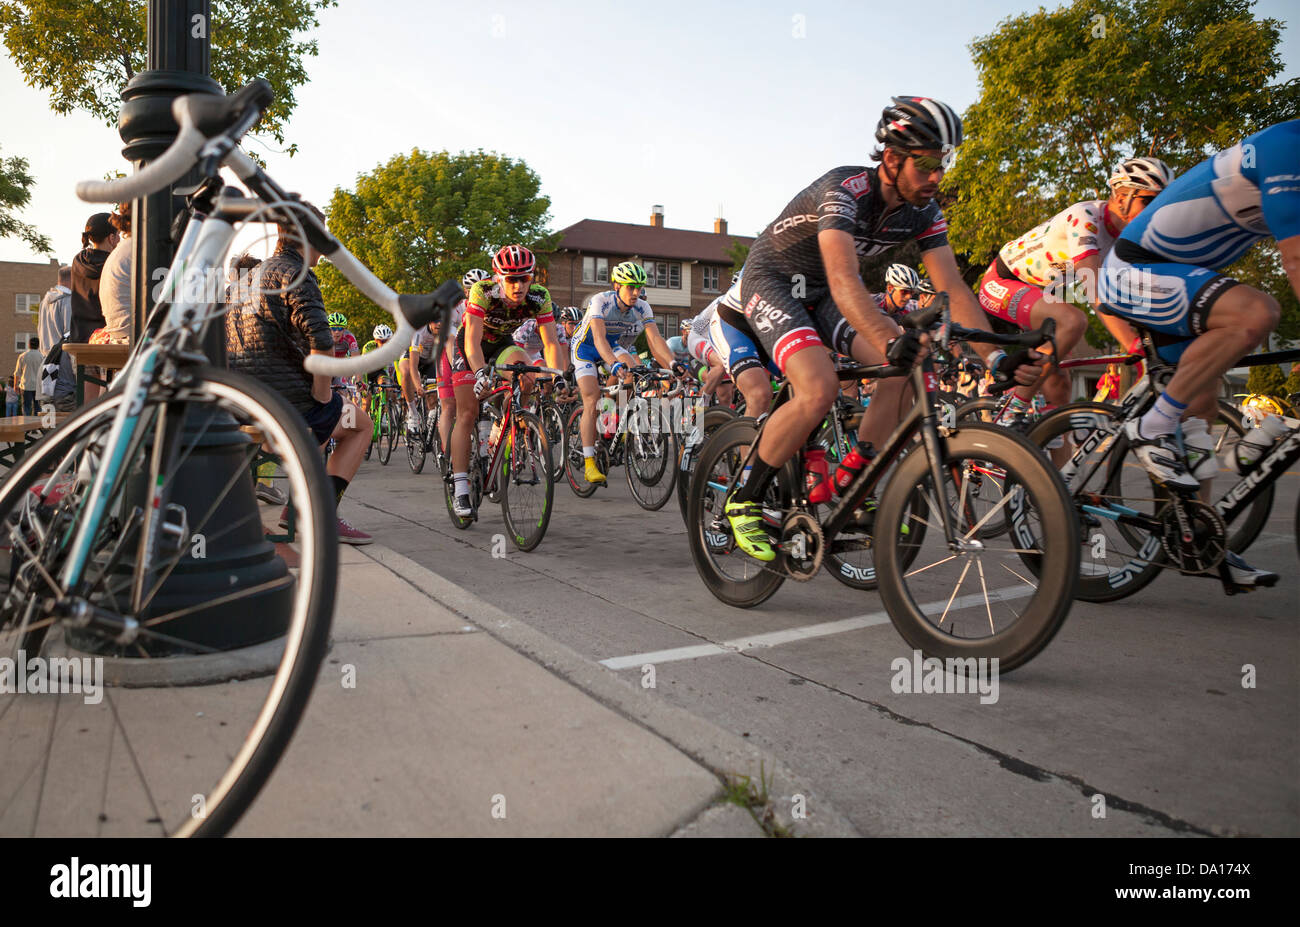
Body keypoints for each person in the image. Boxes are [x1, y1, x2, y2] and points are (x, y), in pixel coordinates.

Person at [715, 96, 1036, 561]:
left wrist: (995, 358)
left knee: (909, 366)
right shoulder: (842, 190)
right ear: (891, 158)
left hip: (823, 292)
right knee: (819, 386)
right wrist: (891, 339)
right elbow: (847, 280)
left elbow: (954, 290)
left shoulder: (924, 212)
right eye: (926, 163)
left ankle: (857, 471)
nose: (937, 176)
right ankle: (744, 496)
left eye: (943, 162)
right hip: (775, 281)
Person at [1097, 118, 1300, 588]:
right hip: (1134, 269)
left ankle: (1197, 540)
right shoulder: (1289, 149)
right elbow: (1295, 261)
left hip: (1176, 277)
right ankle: (1150, 426)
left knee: (1202, 409)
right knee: (1256, 313)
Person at [225, 199, 374, 545]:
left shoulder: (246, 279)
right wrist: (323, 397)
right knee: (359, 425)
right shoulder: (297, 275)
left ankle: (297, 510)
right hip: (287, 406)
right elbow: (322, 343)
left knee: (324, 419)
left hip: (244, 402)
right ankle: (320, 514)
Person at [978, 156, 1172, 420]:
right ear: (1121, 196)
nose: (1154, 211)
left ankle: (1049, 453)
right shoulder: (1085, 217)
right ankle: (1012, 411)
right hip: (1001, 282)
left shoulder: (1128, 240)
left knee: (1060, 391)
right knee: (1072, 321)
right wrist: (1133, 343)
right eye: (1147, 201)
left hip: (1042, 293)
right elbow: (1093, 287)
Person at [449, 245, 564, 516]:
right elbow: (472, 341)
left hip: (502, 343)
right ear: (498, 277)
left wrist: (556, 376)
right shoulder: (483, 292)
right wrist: (479, 373)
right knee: (467, 412)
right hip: (471, 347)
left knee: (527, 377)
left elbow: (550, 343)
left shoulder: (539, 297)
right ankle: (461, 487)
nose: (519, 285)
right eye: (511, 279)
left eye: (525, 278)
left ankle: (504, 424)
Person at [569, 260, 682, 485]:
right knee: (591, 398)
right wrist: (613, 364)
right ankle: (590, 463)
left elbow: (655, 340)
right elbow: (599, 338)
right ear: (616, 285)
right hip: (585, 348)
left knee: (634, 371)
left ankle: (612, 418)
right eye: (630, 287)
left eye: (639, 287)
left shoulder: (642, 306)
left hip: (611, 345)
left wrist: (673, 363)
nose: (636, 292)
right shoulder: (600, 301)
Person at [70, 212, 119, 402]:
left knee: (87, 408)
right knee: (109, 406)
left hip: (80, 340)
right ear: (111, 237)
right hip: (106, 341)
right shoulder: (114, 264)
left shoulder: (77, 260)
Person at [38, 265, 77, 412]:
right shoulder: (67, 300)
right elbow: (71, 337)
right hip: (64, 370)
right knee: (67, 419)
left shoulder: (45, 301)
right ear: (72, 279)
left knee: (50, 421)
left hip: (47, 367)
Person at [13, 337, 44, 415]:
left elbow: (17, 373)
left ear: (28, 344)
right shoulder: (41, 356)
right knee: (37, 407)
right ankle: (36, 425)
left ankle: (26, 425)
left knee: (26, 407)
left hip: (25, 386)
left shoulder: (22, 356)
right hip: (37, 386)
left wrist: (15, 385)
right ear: (38, 345)